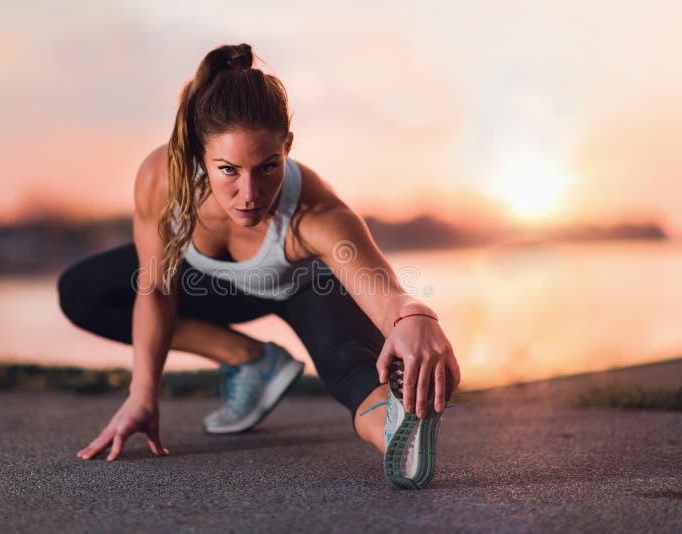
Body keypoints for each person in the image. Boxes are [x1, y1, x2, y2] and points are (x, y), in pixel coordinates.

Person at [57, 43, 462, 489]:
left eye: (267, 167)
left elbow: (384, 293)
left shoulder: (318, 215)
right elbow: (156, 289)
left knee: (354, 371)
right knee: (84, 291)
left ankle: (396, 434)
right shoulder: (162, 179)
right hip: (211, 283)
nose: (249, 193)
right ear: (198, 154)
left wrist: (413, 316)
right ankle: (248, 360)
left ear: (287, 146)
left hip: (308, 288)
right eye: (228, 170)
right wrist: (141, 394)